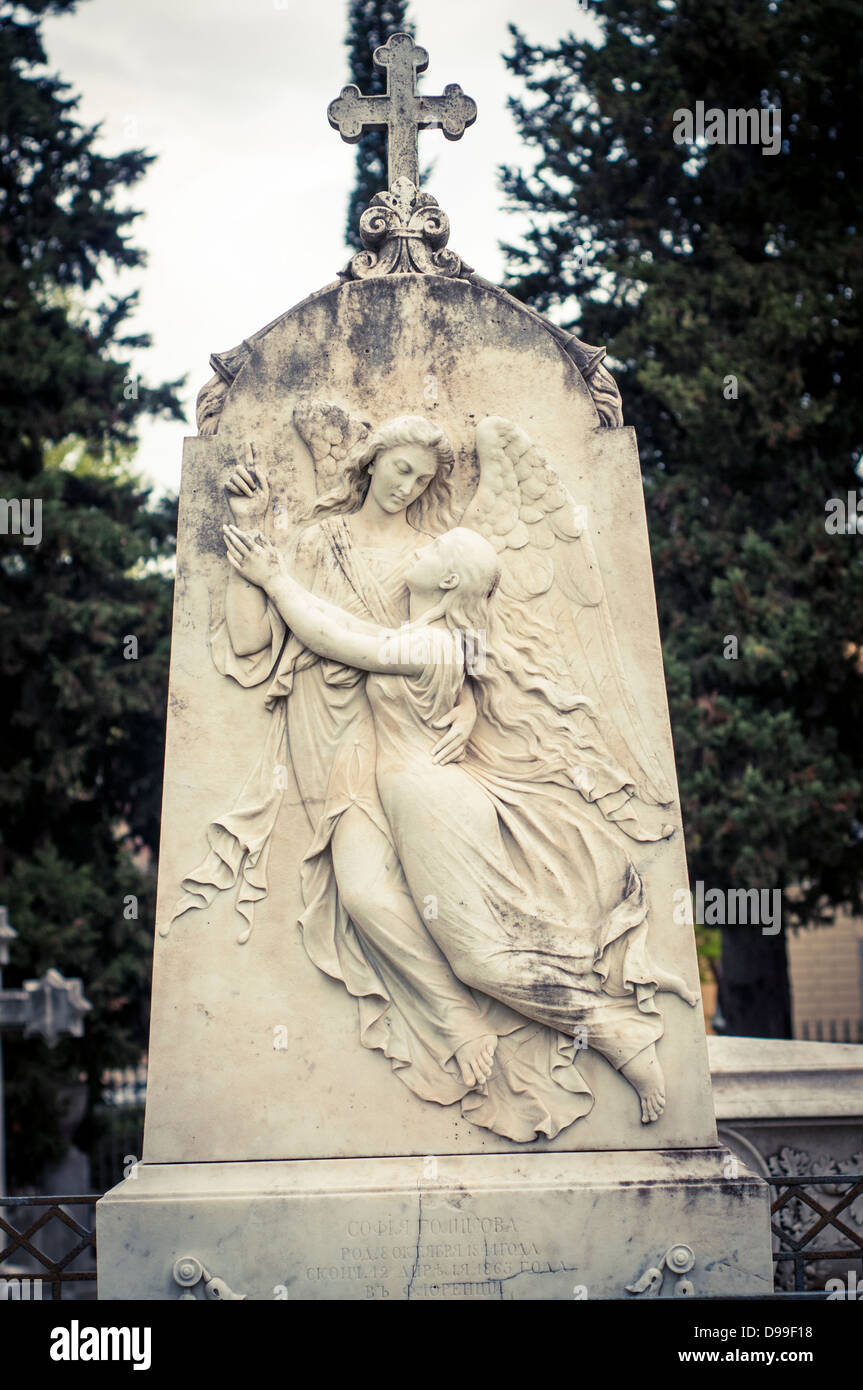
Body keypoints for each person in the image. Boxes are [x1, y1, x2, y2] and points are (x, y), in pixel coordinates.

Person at [172, 419, 591, 1140]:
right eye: (399, 468)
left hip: (389, 733)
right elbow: (248, 642)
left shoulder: (427, 556)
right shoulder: (314, 539)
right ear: (370, 463)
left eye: (422, 479)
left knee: (377, 890)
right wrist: (250, 532)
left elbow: (463, 641)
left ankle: (477, 1018)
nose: (408, 487)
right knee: (365, 894)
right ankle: (467, 1017)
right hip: (320, 720)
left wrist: (469, 704)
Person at [223, 522, 698, 1124]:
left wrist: (274, 579)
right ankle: (462, 1018)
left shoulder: (434, 645)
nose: (421, 547)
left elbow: (338, 640)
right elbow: (349, 631)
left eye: (435, 549)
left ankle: (616, 1036)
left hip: (431, 803)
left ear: (447, 578)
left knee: (481, 958)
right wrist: (281, 581)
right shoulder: (427, 636)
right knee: (365, 895)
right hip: (391, 790)